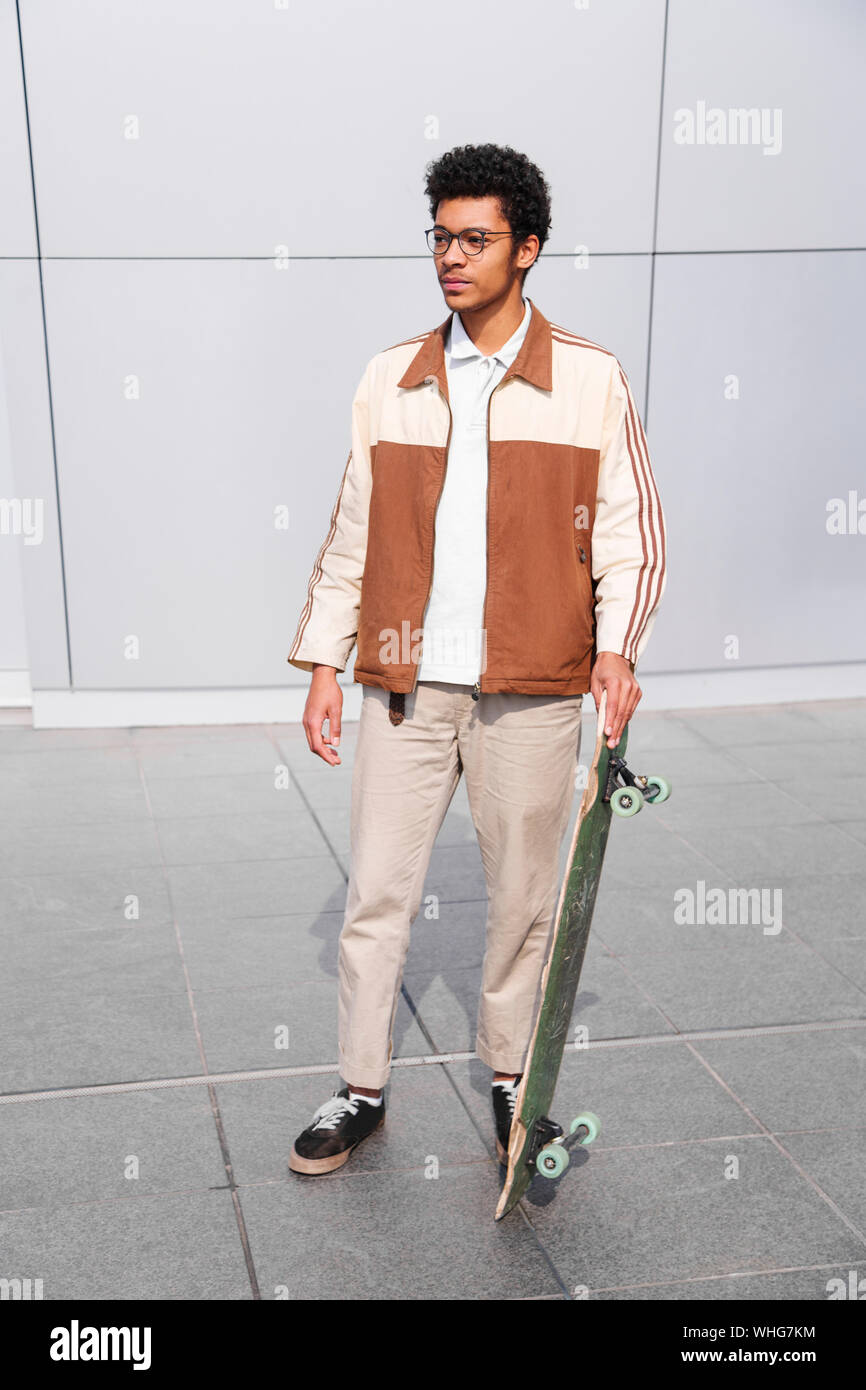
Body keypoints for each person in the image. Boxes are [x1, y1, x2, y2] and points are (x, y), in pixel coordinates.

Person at [285, 143, 666, 1175]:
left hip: (530, 688)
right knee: (374, 895)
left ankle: (511, 1083)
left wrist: (616, 648)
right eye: (440, 237)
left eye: (474, 238)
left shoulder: (586, 379)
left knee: (522, 900)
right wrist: (326, 661)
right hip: (405, 686)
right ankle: (358, 1088)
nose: (451, 257)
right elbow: (351, 531)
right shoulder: (392, 377)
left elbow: (631, 532)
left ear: (527, 248)